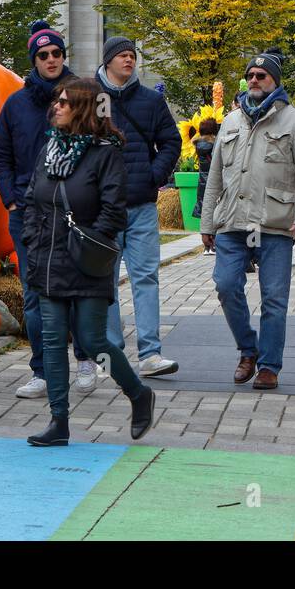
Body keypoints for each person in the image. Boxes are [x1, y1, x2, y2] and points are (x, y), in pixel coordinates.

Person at [23, 78, 155, 446]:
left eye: (65, 103)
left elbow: (114, 212)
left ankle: (137, 393)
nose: (57, 108)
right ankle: (58, 422)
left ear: (82, 109)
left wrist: (86, 243)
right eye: (57, 102)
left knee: (94, 341)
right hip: (47, 262)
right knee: (51, 342)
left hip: (86, 263)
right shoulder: (49, 148)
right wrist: (33, 240)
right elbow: (33, 198)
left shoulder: (105, 153)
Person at [200, 51, 295, 391]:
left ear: (275, 81)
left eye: (262, 75)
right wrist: (207, 223)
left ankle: (269, 366)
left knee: (274, 298)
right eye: (251, 75)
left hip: (274, 223)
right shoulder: (231, 121)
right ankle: (247, 350)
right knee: (226, 286)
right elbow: (214, 178)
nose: (254, 80)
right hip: (233, 222)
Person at [0, 22, 95, 398]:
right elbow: (0, 155)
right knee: (35, 294)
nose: (51, 60)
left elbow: (102, 150)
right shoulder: (15, 104)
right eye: (43, 55)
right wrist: (11, 198)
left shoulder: (83, 97)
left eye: (57, 53)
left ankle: (84, 359)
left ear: (64, 56)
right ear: (33, 60)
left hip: (74, 212)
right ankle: (43, 370)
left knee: (78, 290)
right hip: (28, 213)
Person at [96, 36, 182, 379]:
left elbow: (172, 141)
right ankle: (112, 354)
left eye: (132, 55)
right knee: (104, 282)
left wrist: (155, 175)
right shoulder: (90, 97)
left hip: (142, 207)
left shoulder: (150, 100)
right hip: (102, 208)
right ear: (107, 61)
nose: (129, 60)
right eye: (122, 56)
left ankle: (150, 354)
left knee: (146, 278)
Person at [193, 117, 218, 252]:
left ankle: (206, 246)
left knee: (205, 210)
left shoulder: (197, 145)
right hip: (213, 180)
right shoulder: (215, 145)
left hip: (202, 181)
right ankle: (214, 241)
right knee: (215, 210)